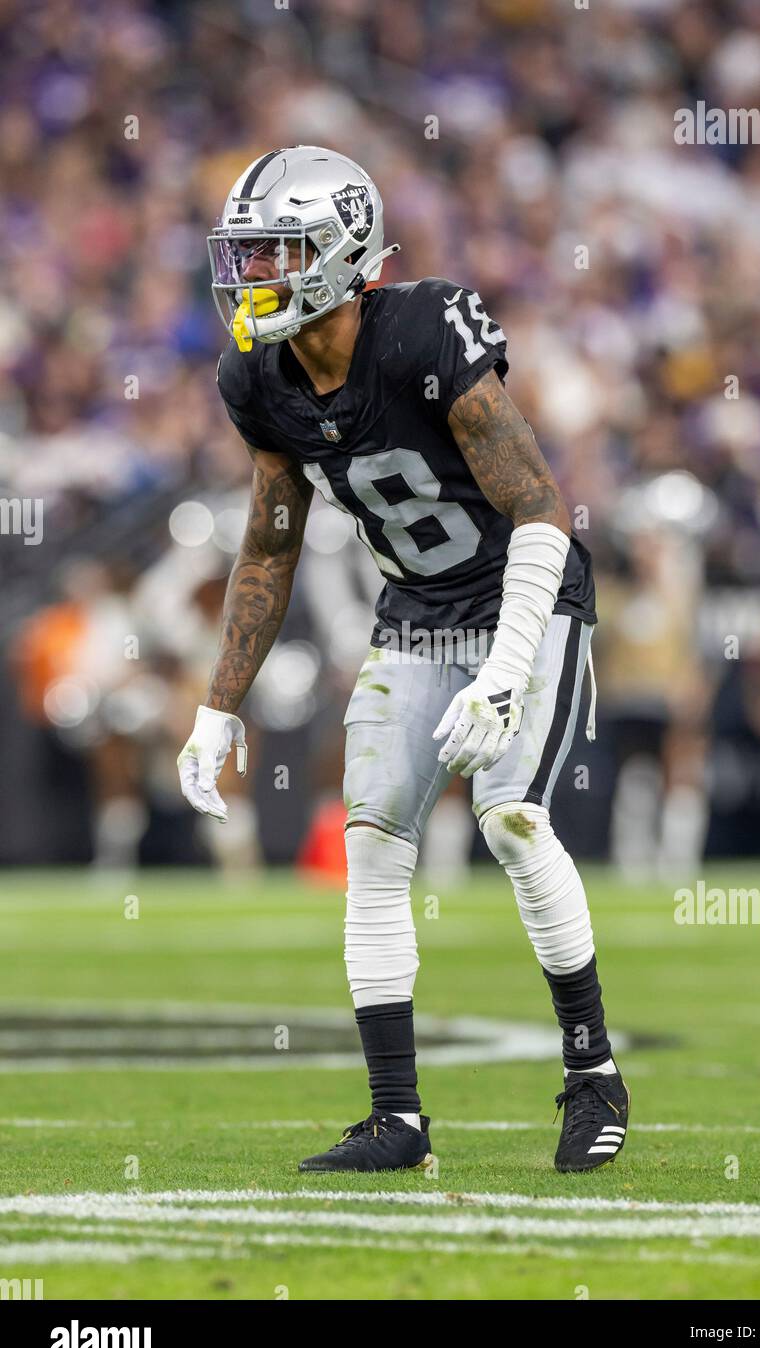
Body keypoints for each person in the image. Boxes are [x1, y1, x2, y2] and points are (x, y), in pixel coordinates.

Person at [177, 145, 629, 1173]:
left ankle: (593, 1072)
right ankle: (396, 1118)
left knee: (511, 820)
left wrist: (506, 664)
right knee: (372, 841)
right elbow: (270, 541)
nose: (251, 277)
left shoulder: (422, 330)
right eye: (244, 256)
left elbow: (536, 506)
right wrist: (217, 707)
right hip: (417, 613)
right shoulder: (256, 376)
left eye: (275, 252)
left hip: (527, 595)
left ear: (338, 251)